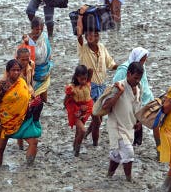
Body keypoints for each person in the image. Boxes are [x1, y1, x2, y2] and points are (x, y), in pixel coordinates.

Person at [76, 11, 117, 147]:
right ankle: (94, 144)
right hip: (89, 87)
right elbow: (79, 34)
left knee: (99, 116)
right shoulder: (84, 49)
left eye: (95, 34)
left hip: (102, 86)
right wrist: (81, 16)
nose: (92, 37)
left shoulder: (102, 47)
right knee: (96, 118)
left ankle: (88, 134)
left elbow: (110, 63)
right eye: (89, 35)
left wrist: (121, 67)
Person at [100, 62, 144, 182]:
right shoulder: (118, 86)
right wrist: (119, 93)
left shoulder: (139, 88)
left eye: (139, 78)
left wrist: (139, 121)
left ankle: (109, 175)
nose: (137, 81)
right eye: (135, 78)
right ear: (128, 74)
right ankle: (129, 179)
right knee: (129, 152)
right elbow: (105, 106)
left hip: (129, 126)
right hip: (117, 125)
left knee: (117, 154)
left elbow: (138, 106)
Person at [0, 59, 42, 166]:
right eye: (13, 70)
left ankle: (29, 167)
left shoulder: (22, 82)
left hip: (22, 120)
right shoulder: (1, 86)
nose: (16, 72)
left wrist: (34, 101)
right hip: (5, 122)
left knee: (34, 142)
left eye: (18, 70)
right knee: (0, 149)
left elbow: (27, 96)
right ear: (8, 71)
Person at [113, 48, 153, 146]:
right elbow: (116, 83)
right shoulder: (124, 69)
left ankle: (134, 143)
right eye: (141, 59)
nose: (143, 62)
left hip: (139, 99)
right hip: (126, 100)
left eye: (144, 60)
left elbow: (144, 84)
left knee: (137, 121)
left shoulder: (141, 68)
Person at [64, 65, 93, 156]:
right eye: (81, 79)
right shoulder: (72, 88)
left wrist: (87, 72)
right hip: (75, 112)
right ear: (77, 77)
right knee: (83, 130)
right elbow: (65, 102)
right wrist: (77, 109)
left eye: (85, 78)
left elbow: (91, 70)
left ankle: (74, 147)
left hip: (86, 110)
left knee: (78, 131)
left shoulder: (88, 82)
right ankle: (77, 148)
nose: (84, 81)